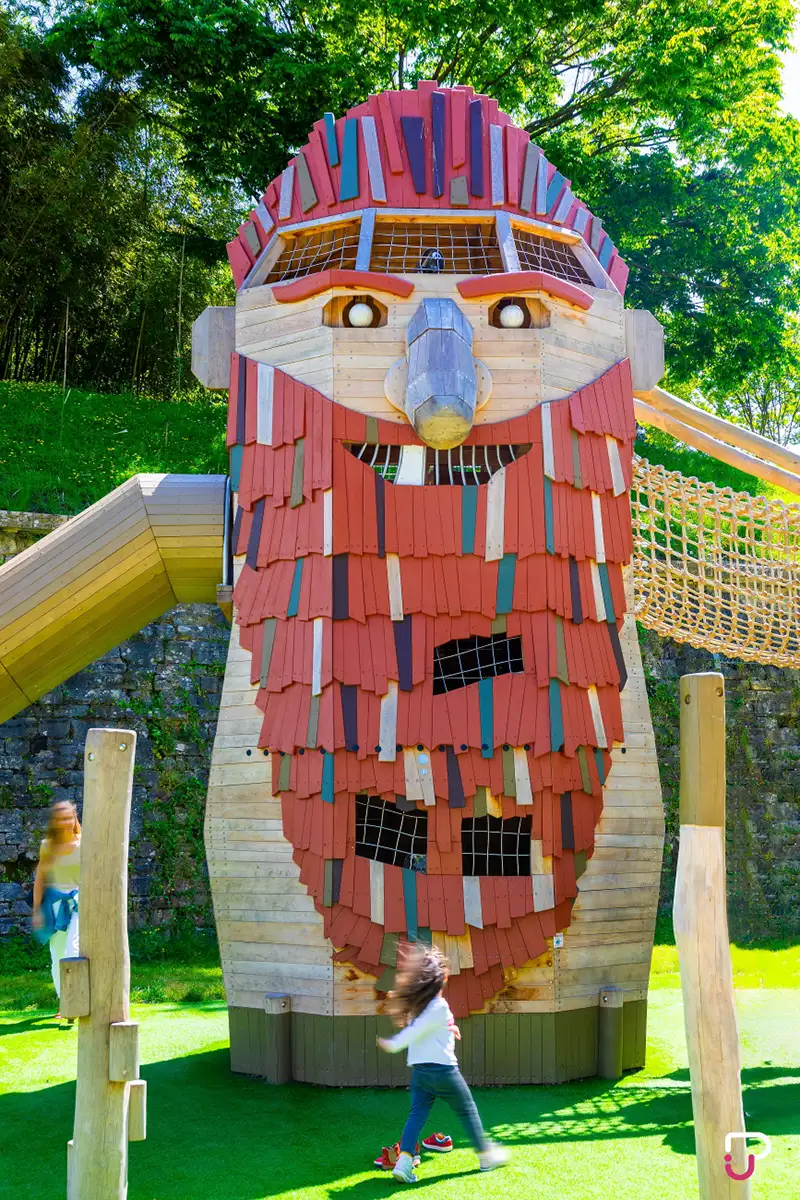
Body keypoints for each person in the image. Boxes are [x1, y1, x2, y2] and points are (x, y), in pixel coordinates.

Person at [377, 943, 509, 1183]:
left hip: (421, 1074)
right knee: (467, 1109)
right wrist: (394, 1044)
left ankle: (404, 1162)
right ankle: (486, 1156)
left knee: (417, 1114)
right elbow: (418, 1030)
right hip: (444, 1071)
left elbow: (426, 1028)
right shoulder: (439, 1006)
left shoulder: (419, 1008)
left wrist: (449, 1029)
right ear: (440, 980)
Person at [32, 800, 81, 1014]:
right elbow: (40, 879)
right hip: (54, 906)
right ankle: (64, 1003)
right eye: (60, 819)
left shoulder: (85, 843)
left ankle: (77, 1001)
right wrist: (37, 910)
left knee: (74, 950)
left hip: (80, 904)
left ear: (74, 818)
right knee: (58, 956)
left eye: (68, 818)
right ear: (54, 821)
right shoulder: (47, 846)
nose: (65, 822)